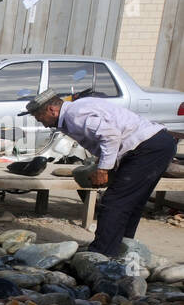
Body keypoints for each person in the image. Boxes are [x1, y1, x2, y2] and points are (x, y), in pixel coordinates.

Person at [24, 88, 177, 258]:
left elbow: (110, 136)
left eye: (40, 118)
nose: (43, 124)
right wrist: (100, 163)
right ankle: (121, 248)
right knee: (131, 202)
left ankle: (101, 255)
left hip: (147, 147)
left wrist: (104, 169)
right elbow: (105, 135)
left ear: (51, 110)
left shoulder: (74, 114)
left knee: (114, 202)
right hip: (155, 145)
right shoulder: (75, 111)